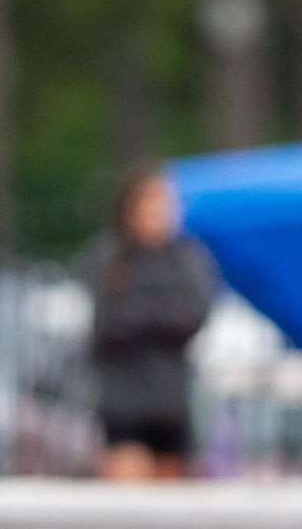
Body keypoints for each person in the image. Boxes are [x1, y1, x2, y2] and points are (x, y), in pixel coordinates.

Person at [81, 163, 216, 481]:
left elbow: (194, 316)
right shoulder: (111, 258)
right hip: (125, 402)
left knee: (172, 514)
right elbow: (108, 324)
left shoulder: (186, 258)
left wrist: (142, 313)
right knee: (129, 508)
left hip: (172, 402)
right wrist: (159, 313)